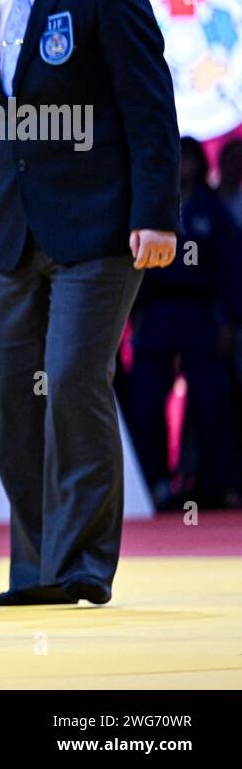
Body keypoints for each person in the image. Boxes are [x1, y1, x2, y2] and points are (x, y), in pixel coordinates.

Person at [0, 0, 180, 606]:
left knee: (76, 382)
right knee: (15, 399)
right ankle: (37, 568)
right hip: (9, 234)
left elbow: (151, 112)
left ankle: (81, 567)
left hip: (101, 230)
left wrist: (157, 214)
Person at [128, 137, 242, 509]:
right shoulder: (153, 203)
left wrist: (230, 321)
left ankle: (217, 485)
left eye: (191, 160)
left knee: (211, 400)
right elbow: (134, 264)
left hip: (200, 313)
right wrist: (130, 316)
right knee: (146, 399)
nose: (186, 168)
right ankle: (153, 483)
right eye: (180, 160)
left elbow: (230, 269)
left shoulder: (213, 210)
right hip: (158, 312)